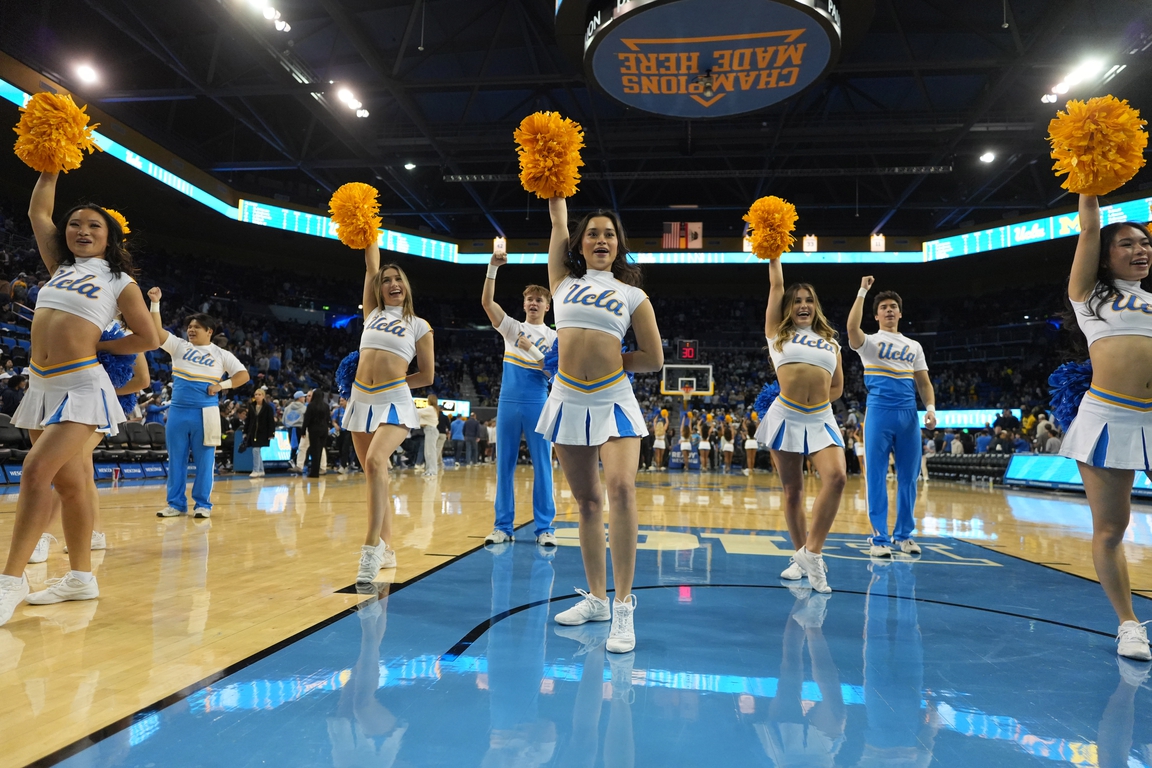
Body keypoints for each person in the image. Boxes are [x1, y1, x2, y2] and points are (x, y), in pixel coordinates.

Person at [0, 171, 158, 627]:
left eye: (94, 226)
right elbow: (38, 212)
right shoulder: (60, 267)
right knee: (69, 485)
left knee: (34, 472)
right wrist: (50, 167)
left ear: (109, 239)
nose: (82, 231)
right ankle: (81, 577)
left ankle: (10, 581)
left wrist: (105, 347)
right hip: (41, 386)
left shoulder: (119, 281)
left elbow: (147, 337)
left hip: (82, 386)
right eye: (75, 225)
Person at [538, 199, 662, 654]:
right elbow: (557, 219)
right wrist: (555, 190)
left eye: (609, 234)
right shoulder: (562, 282)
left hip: (614, 398)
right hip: (567, 397)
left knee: (621, 489)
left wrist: (612, 360)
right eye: (592, 233)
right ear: (580, 243)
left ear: (618, 245)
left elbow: (654, 357)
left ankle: (625, 605)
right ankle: (597, 598)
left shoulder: (633, 295)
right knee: (587, 502)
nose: (601, 240)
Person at [1059, 193, 1152, 660]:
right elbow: (1089, 227)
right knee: (1112, 527)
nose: (1140, 250)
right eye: (1128, 244)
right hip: (1108, 418)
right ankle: (1129, 624)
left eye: (1145, 243)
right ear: (1106, 254)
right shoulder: (1091, 297)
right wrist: (1089, 183)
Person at [344, 242, 434, 582]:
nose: (392, 283)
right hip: (359, 398)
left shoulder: (419, 325)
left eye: (397, 279)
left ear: (406, 285)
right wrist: (368, 232)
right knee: (373, 475)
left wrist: (394, 383)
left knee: (376, 462)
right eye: (386, 280)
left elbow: (427, 375)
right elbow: (370, 266)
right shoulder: (373, 314)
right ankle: (388, 548)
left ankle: (370, 548)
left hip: (394, 399)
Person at [759, 257, 846, 594]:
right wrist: (774, 254)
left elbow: (837, 386)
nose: (803, 305)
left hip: (821, 417)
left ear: (816, 306)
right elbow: (776, 286)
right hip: (786, 415)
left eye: (809, 300)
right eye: (797, 301)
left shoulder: (831, 343)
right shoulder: (777, 335)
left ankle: (812, 552)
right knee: (793, 491)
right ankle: (799, 557)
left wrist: (819, 400)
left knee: (836, 477)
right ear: (789, 308)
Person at [847, 276, 937, 559]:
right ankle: (879, 537)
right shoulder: (869, 342)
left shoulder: (914, 346)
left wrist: (931, 409)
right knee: (876, 477)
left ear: (900, 312)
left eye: (893, 306)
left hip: (909, 414)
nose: (888, 310)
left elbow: (923, 382)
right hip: (878, 413)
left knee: (908, 477)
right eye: (883, 307)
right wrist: (862, 291)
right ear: (876, 315)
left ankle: (904, 535)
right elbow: (851, 327)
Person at [480, 245, 558, 546]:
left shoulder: (555, 338)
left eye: (539, 299)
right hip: (508, 404)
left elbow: (554, 374)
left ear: (547, 306)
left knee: (543, 465)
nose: (534, 303)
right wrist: (493, 267)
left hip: (539, 403)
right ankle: (503, 527)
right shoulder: (511, 327)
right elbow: (487, 302)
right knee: (504, 466)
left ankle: (544, 529)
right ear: (524, 304)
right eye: (530, 299)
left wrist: (532, 349)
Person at [149, 289, 249, 518]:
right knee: (176, 460)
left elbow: (243, 375)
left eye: (196, 327)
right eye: (189, 327)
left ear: (209, 331)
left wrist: (221, 386)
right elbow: (156, 331)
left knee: (205, 461)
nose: (191, 330)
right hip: (178, 412)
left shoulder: (221, 354)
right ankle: (175, 504)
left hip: (206, 412)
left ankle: (203, 505)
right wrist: (155, 303)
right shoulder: (179, 347)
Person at [244, 388, 276, 478]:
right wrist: (245, 431)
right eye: (256, 394)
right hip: (253, 431)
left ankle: (256, 470)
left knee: (256, 450)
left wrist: (271, 433)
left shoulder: (268, 408)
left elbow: (271, 421)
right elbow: (248, 420)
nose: (257, 396)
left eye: (259, 394)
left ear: (263, 396)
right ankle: (261, 470)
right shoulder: (251, 406)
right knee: (256, 450)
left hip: (263, 432)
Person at [302, 388, 331, 478]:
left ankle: (314, 472)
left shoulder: (311, 406)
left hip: (314, 430)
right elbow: (328, 419)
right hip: (324, 430)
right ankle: (319, 469)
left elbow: (307, 419)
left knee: (314, 451)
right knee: (320, 450)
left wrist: (303, 430)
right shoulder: (326, 406)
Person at [416, 396, 440, 477]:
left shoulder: (430, 408)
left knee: (430, 452)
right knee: (428, 452)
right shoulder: (433, 409)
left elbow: (417, 411)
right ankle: (429, 470)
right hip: (429, 430)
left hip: (431, 430)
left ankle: (432, 471)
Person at [282, 390, 307, 465]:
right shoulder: (304, 408)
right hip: (300, 429)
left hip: (290, 429)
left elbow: (283, 420)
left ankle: (292, 462)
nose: (304, 398)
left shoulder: (287, 408)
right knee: (302, 448)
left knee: (293, 447)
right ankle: (299, 463)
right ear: (300, 398)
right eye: (303, 397)